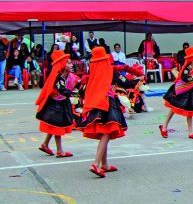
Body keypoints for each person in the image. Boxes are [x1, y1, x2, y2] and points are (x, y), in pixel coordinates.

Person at [78, 47, 128, 178]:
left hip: (97, 104)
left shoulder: (94, 71)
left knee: (104, 133)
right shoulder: (108, 69)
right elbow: (123, 80)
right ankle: (95, 163)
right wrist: (137, 79)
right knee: (106, 133)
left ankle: (104, 164)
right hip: (107, 104)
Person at [35, 49, 77, 158]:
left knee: (54, 125)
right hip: (56, 104)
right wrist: (74, 94)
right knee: (58, 126)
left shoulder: (68, 76)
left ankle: (45, 144)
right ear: (63, 64)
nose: (71, 64)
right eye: (68, 62)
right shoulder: (59, 78)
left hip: (61, 103)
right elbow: (62, 90)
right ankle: (59, 150)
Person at [160, 46, 193, 140]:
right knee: (173, 108)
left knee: (190, 111)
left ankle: (190, 132)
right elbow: (184, 78)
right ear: (192, 60)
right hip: (180, 90)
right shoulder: (186, 68)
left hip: (191, 91)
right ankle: (164, 127)